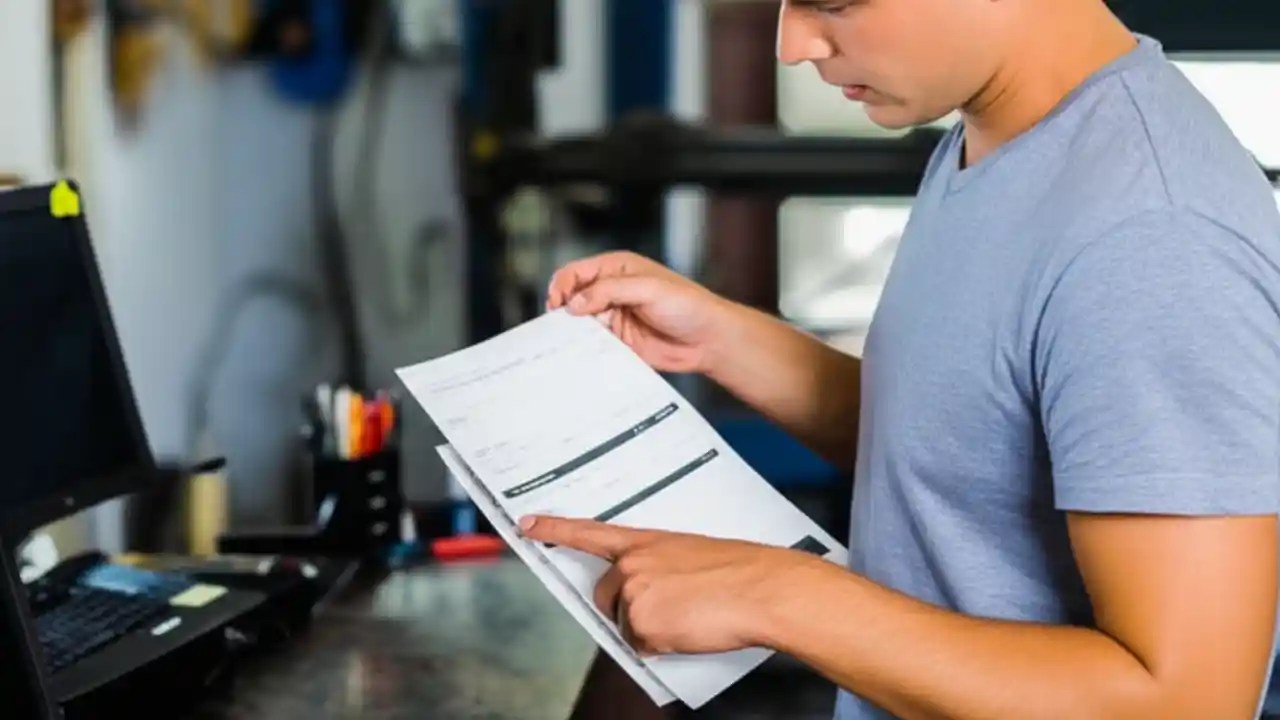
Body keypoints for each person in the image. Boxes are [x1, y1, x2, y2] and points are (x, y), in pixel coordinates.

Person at [524, 0, 1280, 717]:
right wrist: (724, 340)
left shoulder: (1152, 237)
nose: (794, 46)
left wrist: (782, 596)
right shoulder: (999, 137)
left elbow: (1186, 703)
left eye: (836, 3)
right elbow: (976, 451)